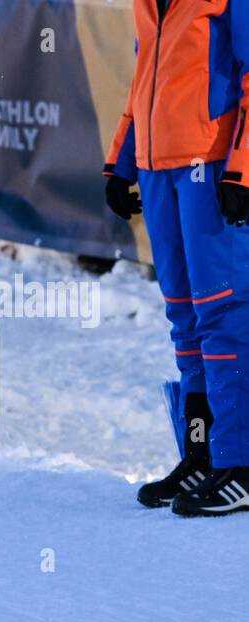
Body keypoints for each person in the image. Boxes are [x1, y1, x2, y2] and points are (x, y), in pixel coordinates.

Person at [105, 0, 249, 516]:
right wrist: (121, 162)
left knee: (224, 312)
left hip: (209, 164)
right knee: (185, 315)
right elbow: (144, 75)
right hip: (156, 167)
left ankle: (241, 464)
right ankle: (202, 454)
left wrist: (243, 168)